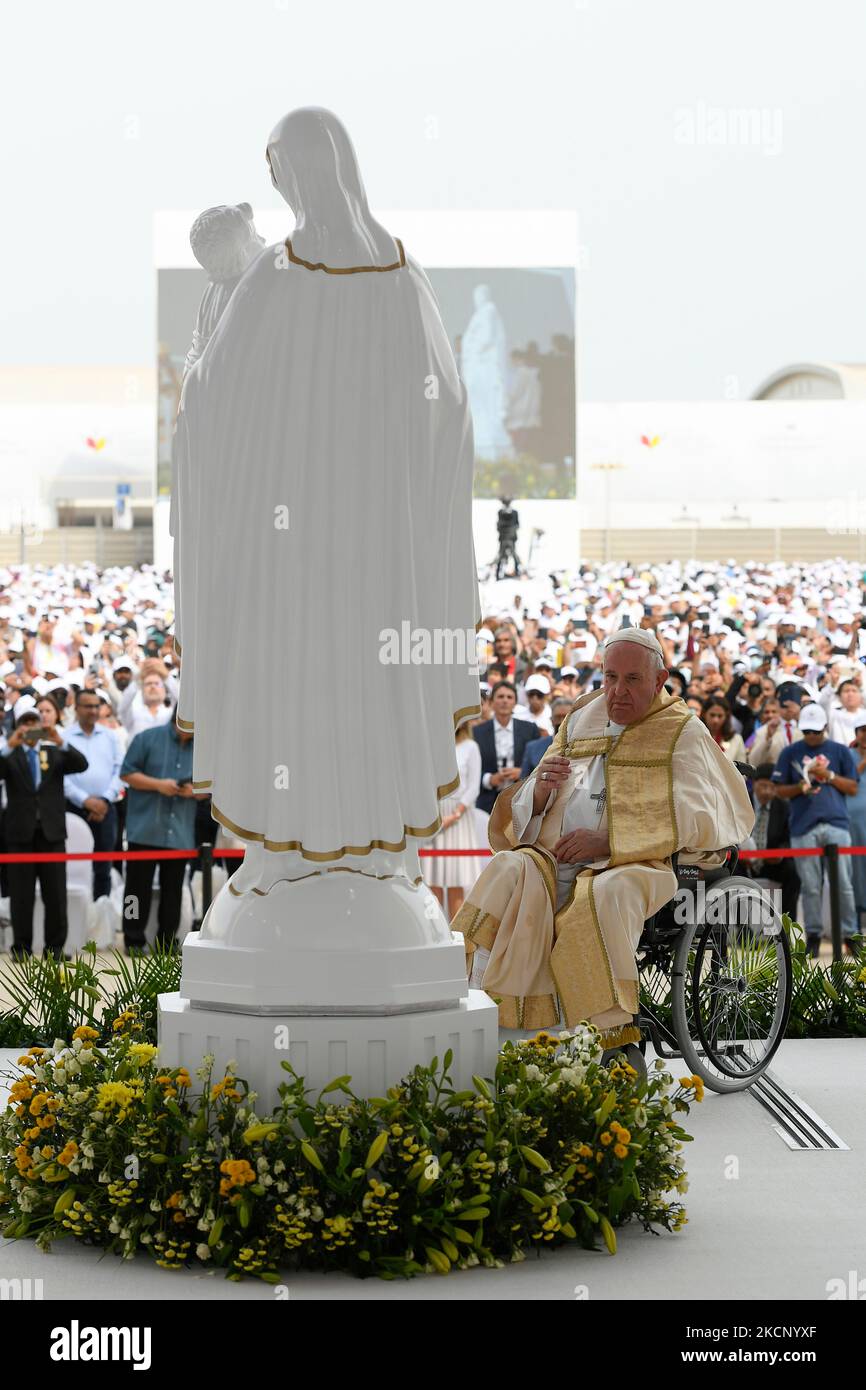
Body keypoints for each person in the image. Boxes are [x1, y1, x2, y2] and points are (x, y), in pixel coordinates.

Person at [172, 106, 481, 897]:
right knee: (371, 684)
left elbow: (214, 394)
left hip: (295, 551)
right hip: (383, 550)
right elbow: (447, 404)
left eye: (276, 169)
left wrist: (195, 375)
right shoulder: (403, 273)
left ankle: (291, 856)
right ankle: (379, 859)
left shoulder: (276, 276)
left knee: (296, 681)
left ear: (295, 171)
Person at [452, 627, 754, 1068]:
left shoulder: (682, 731)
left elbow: (706, 815)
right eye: (610, 677)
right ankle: (486, 1011)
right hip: (555, 857)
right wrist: (539, 794)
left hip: (637, 865)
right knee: (508, 869)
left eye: (632, 679)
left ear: (659, 678)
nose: (616, 691)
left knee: (601, 896)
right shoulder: (581, 719)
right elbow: (535, 792)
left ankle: (611, 1039)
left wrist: (611, 841)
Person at [0, 698, 88, 957]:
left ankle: (55, 947)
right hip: (20, 833)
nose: (30, 728)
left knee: (55, 893)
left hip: (51, 832)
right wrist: (10, 745)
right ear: (17, 728)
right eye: (24, 723)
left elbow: (81, 764)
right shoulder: (11, 755)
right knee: (21, 894)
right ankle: (22, 947)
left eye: (34, 722)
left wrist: (59, 740)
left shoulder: (54, 751)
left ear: (42, 725)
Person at [771, 703, 860, 955]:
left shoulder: (840, 751)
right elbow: (778, 789)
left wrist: (829, 775)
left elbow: (853, 787)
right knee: (810, 885)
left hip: (836, 822)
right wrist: (800, 787)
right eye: (807, 731)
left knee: (843, 883)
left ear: (824, 727)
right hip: (803, 825)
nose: (811, 735)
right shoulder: (790, 752)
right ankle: (813, 935)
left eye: (815, 731)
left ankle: (850, 934)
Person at [119, 720, 206, 953]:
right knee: (135, 892)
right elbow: (126, 773)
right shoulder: (146, 738)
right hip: (144, 828)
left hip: (179, 830)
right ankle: (132, 940)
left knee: (173, 891)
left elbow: (212, 786)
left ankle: (166, 943)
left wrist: (196, 791)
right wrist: (159, 785)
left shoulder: (205, 747)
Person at [64, 687, 123, 901]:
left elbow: (121, 770)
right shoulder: (64, 737)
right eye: (88, 706)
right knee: (72, 866)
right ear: (77, 708)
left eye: (96, 706)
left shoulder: (111, 737)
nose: (93, 710)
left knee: (103, 868)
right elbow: (60, 777)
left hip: (106, 808)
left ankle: (101, 918)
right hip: (74, 808)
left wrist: (104, 799)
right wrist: (85, 800)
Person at [426, 722, 483, 919]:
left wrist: (456, 814)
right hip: (433, 814)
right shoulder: (428, 744)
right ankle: (435, 935)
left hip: (459, 817)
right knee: (431, 877)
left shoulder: (470, 747)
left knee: (455, 878)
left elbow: (473, 787)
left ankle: (457, 940)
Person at [741, 761, 800, 921]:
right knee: (731, 871)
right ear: (754, 784)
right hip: (742, 861)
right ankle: (740, 930)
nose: (767, 792)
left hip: (770, 862)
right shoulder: (742, 802)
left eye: (772, 787)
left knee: (793, 873)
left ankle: (788, 926)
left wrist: (780, 854)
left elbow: (788, 838)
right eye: (763, 786)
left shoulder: (783, 807)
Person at [473, 682, 539, 816]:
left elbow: (539, 764)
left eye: (509, 697)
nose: (505, 701)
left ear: (515, 702)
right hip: (487, 802)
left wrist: (522, 772)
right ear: (491, 702)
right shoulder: (476, 732)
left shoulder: (530, 729)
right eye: (500, 696)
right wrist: (488, 779)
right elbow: (469, 768)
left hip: (521, 798)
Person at [846, 712, 866, 935]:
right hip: (853, 823)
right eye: (863, 730)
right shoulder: (848, 755)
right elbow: (848, 781)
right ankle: (853, 932)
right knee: (855, 874)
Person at [520, 698, 572, 777]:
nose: (562, 722)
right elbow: (523, 782)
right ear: (551, 720)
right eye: (558, 717)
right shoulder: (533, 748)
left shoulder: (582, 748)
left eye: (566, 717)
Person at [700, 695, 747, 763]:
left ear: (726, 716)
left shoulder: (736, 739)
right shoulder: (696, 737)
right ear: (704, 714)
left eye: (720, 716)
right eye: (712, 715)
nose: (716, 720)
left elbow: (743, 771)